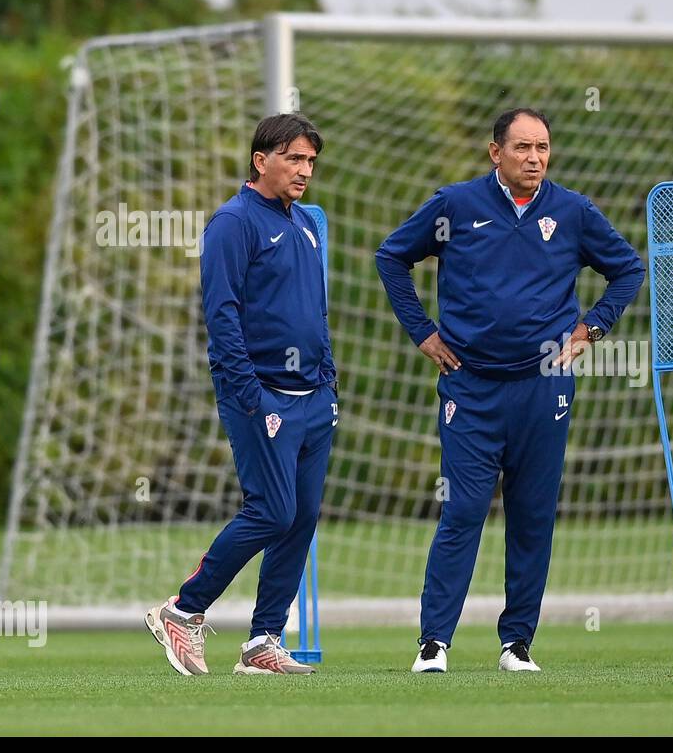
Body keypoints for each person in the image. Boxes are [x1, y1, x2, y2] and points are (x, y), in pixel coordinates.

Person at [376, 108, 643, 673]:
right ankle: (434, 643)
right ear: (494, 152)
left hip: (545, 387)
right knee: (463, 511)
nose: (534, 158)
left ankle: (516, 643)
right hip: (469, 387)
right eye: (522, 147)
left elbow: (628, 269)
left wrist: (592, 327)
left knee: (532, 516)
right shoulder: (456, 205)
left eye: (543, 147)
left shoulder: (572, 210)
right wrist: (423, 333)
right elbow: (391, 257)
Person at [146, 113, 338, 676]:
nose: (305, 171)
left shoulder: (305, 222)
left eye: (311, 161)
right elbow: (222, 314)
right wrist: (251, 395)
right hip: (261, 395)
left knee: (300, 518)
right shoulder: (233, 222)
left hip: (314, 397)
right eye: (295, 159)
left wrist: (328, 383)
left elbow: (312, 310)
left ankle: (263, 642)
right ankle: (183, 610)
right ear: (262, 160)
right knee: (273, 510)